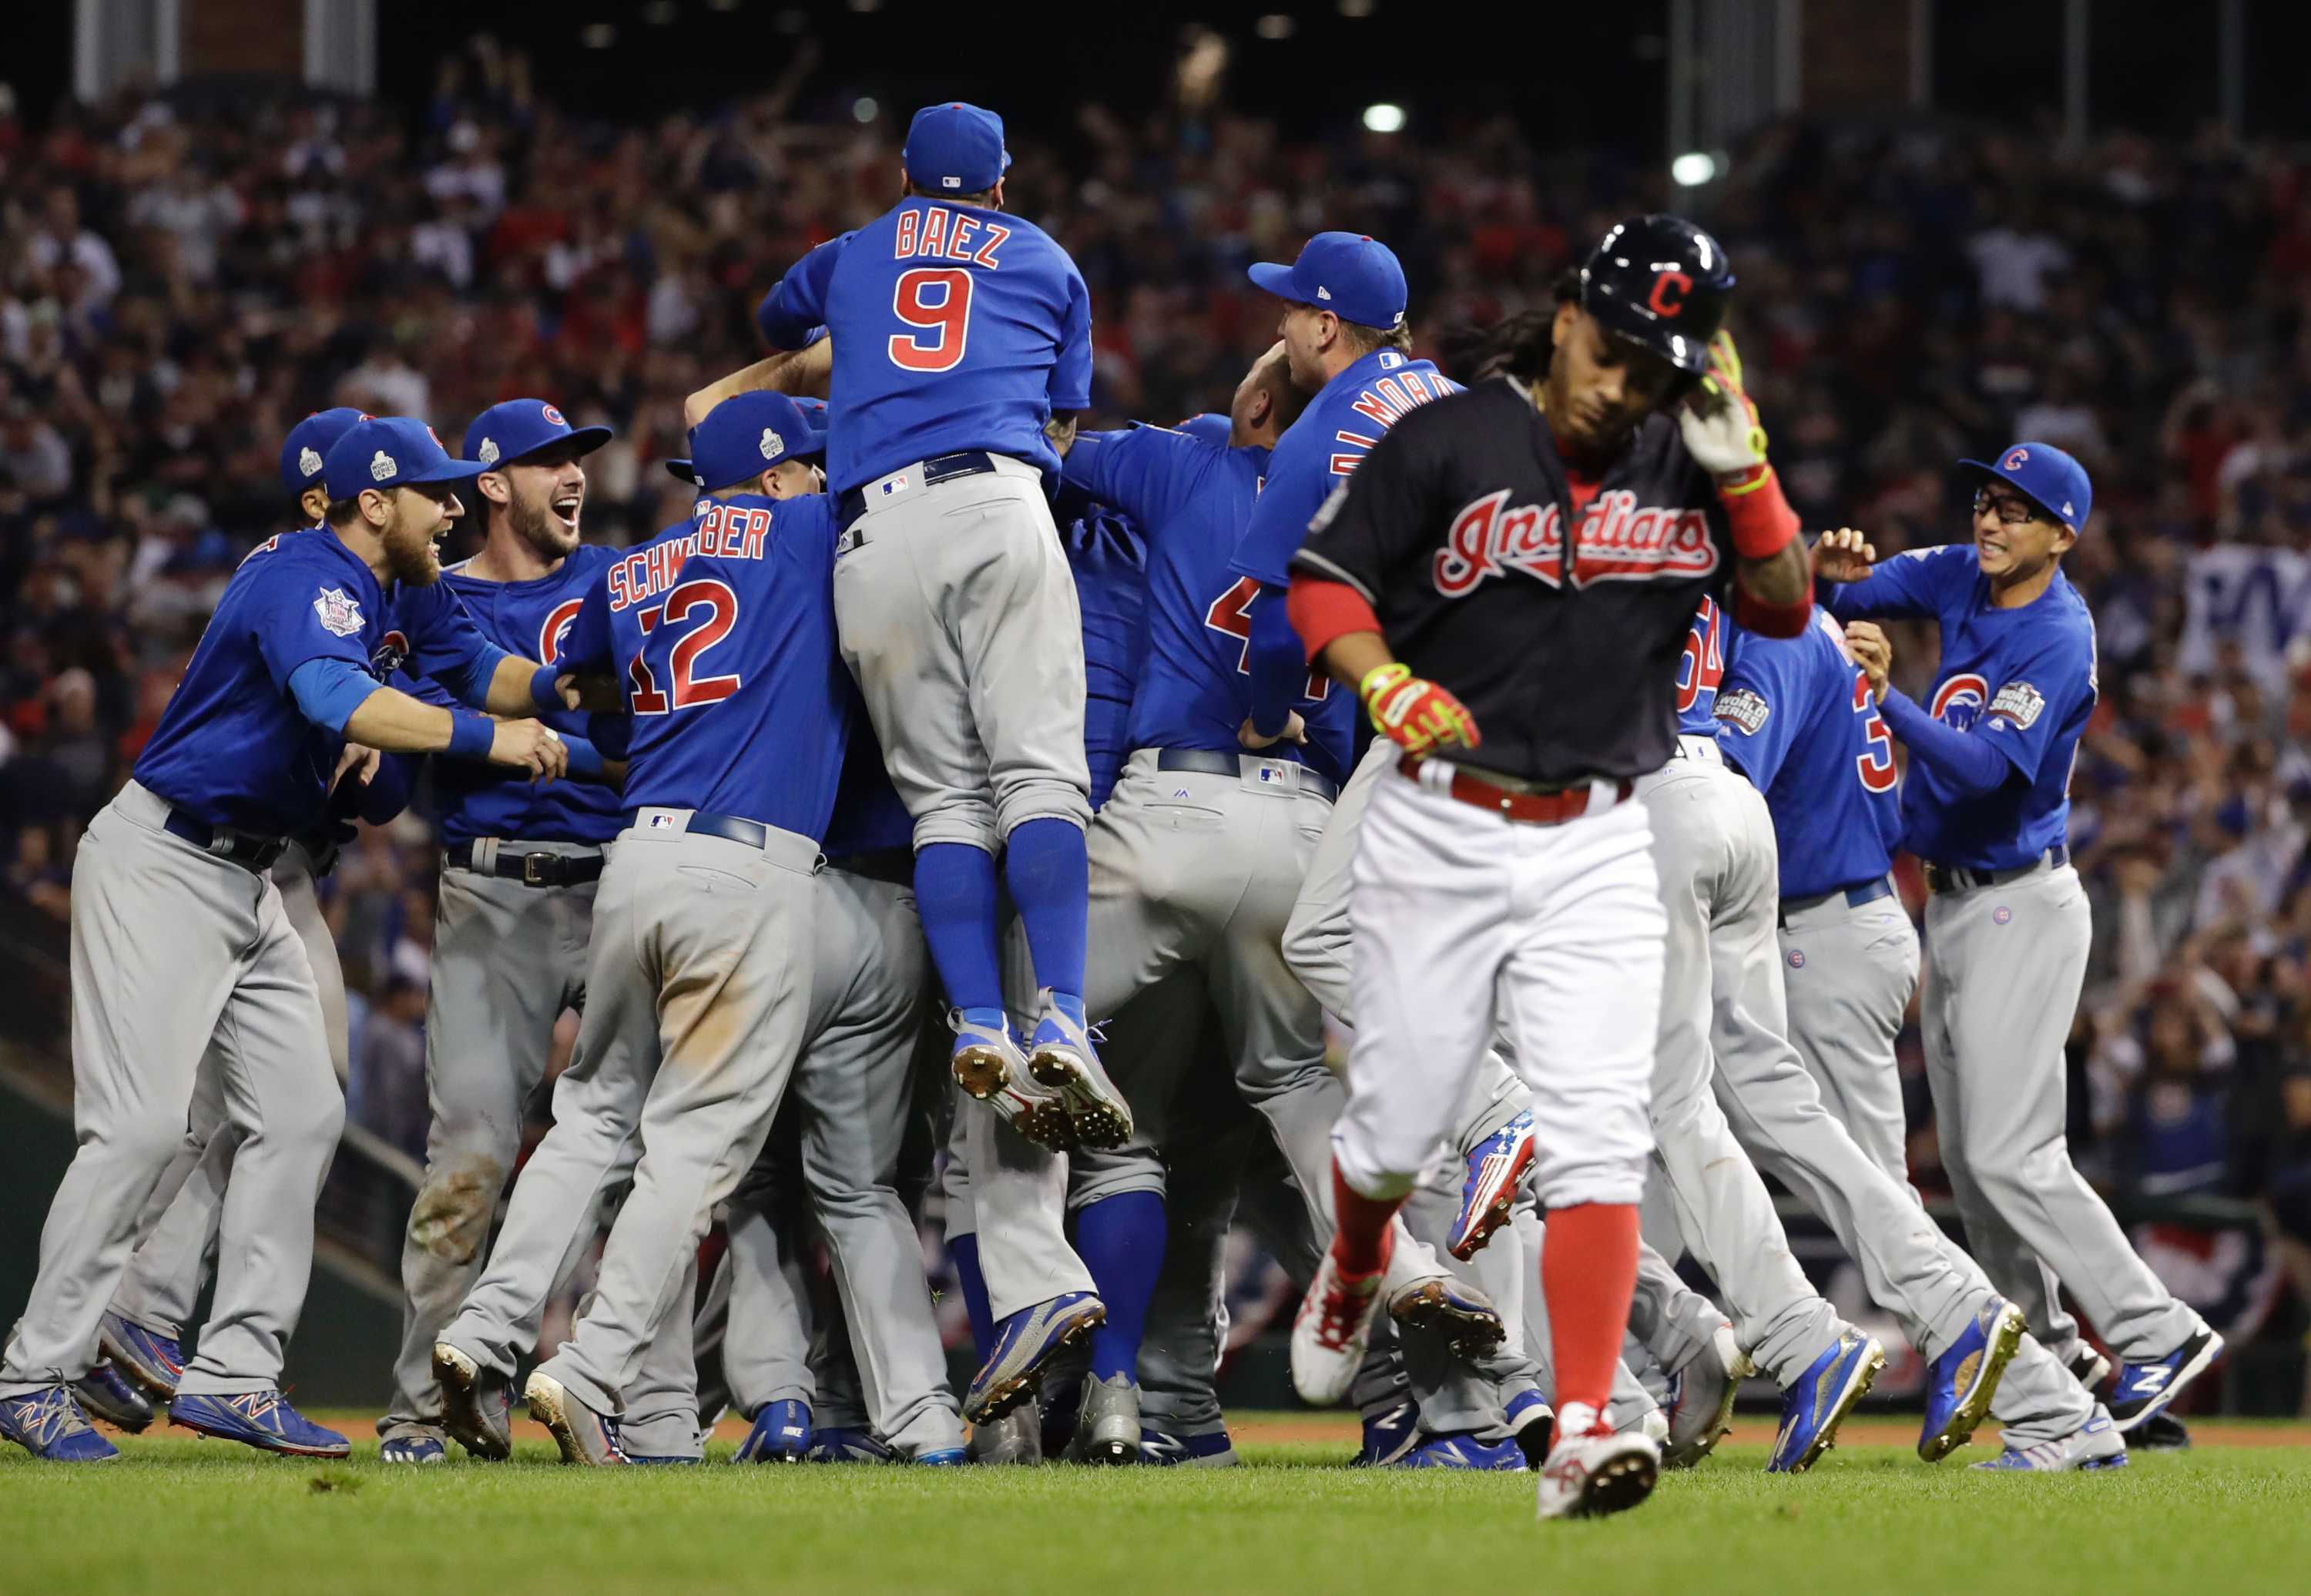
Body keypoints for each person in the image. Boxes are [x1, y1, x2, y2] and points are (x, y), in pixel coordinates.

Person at [1279, 215, 1817, 1519]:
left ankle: (1582, 1428)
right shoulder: (1450, 439)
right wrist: (1384, 678)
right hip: (1440, 819)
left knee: (1594, 1140)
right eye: (1619, 352)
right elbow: (1322, 580)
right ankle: (1356, 1262)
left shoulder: (1691, 455)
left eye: (1659, 368)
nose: (1627, 386)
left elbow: (1788, 603)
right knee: (1399, 1131)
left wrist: (1743, 464)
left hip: (1598, 832)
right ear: (1570, 312)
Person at [0, 416, 571, 1462]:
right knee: (137, 1131)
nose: (455, 507)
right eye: (435, 492)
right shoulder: (301, 574)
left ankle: (236, 1375)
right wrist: (497, 738)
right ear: (372, 504)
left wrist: (560, 687)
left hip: (257, 873)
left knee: (304, 1113)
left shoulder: (407, 586)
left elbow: (486, 670)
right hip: (165, 858)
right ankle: (34, 1373)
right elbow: (332, 695)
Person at [431, 392, 852, 1466]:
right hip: (746, 870)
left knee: (590, 1122)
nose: (818, 477)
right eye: (804, 464)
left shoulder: (631, 570)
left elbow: (579, 687)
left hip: (636, 858)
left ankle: (484, 1328)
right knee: (693, 1147)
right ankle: (594, 1365)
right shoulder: (809, 527)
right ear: (773, 478)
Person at [750, 101, 1129, 1152]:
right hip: (993, 499)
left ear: (905, 175)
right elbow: (1063, 418)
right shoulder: (1049, 260)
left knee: (947, 806)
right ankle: (1058, 1010)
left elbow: (777, 324)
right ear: (1002, 181)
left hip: (869, 533)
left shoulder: (854, 251)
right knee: (1040, 780)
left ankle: (976, 1023)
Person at [1832, 440, 2222, 1450]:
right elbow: (1856, 591)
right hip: (1958, 905)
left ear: (2064, 534)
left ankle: (2158, 1332)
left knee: (2012, 1152)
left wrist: (1887, 696)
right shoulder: (1965, 574)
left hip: (2024, 906)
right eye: (1987, 501)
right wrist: (1830, 571)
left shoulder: (2057, 633)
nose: (1991, 521)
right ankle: (2057, 1363)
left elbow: (1977, 771)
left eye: (2018, 510)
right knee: (1973, 1162)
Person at [1709, 595, 2125, 1470]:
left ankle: (2053, 1408)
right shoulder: (1793, 613)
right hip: (1829, 925)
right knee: (1786, 1160)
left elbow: (1724, 784)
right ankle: (1671, 1368)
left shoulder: (1771, 629)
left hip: (1822, 932)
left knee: (1871, 1194)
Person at [92, 409, 411, 1430]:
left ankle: (159, 1328)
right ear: (330, 501)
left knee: (290, 1103)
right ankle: (131, 1315)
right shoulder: (295, 578)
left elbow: (382, 793)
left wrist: (378, 756)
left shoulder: (380, 591)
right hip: (218, 861)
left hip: (287, 873)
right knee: (196, 1104)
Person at [377, 397, 628, 1465]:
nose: (575, 476)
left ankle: (623, 1399)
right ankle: (423, 1407)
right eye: (549, 462)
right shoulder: (436, 606)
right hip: (494, 897)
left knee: (643, 1160)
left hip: (623, 888)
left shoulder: (626, 585)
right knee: (468, 1161)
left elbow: (652, 742)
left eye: (579, 460)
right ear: (490, 485)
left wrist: (550, 747)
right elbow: (422, 751)